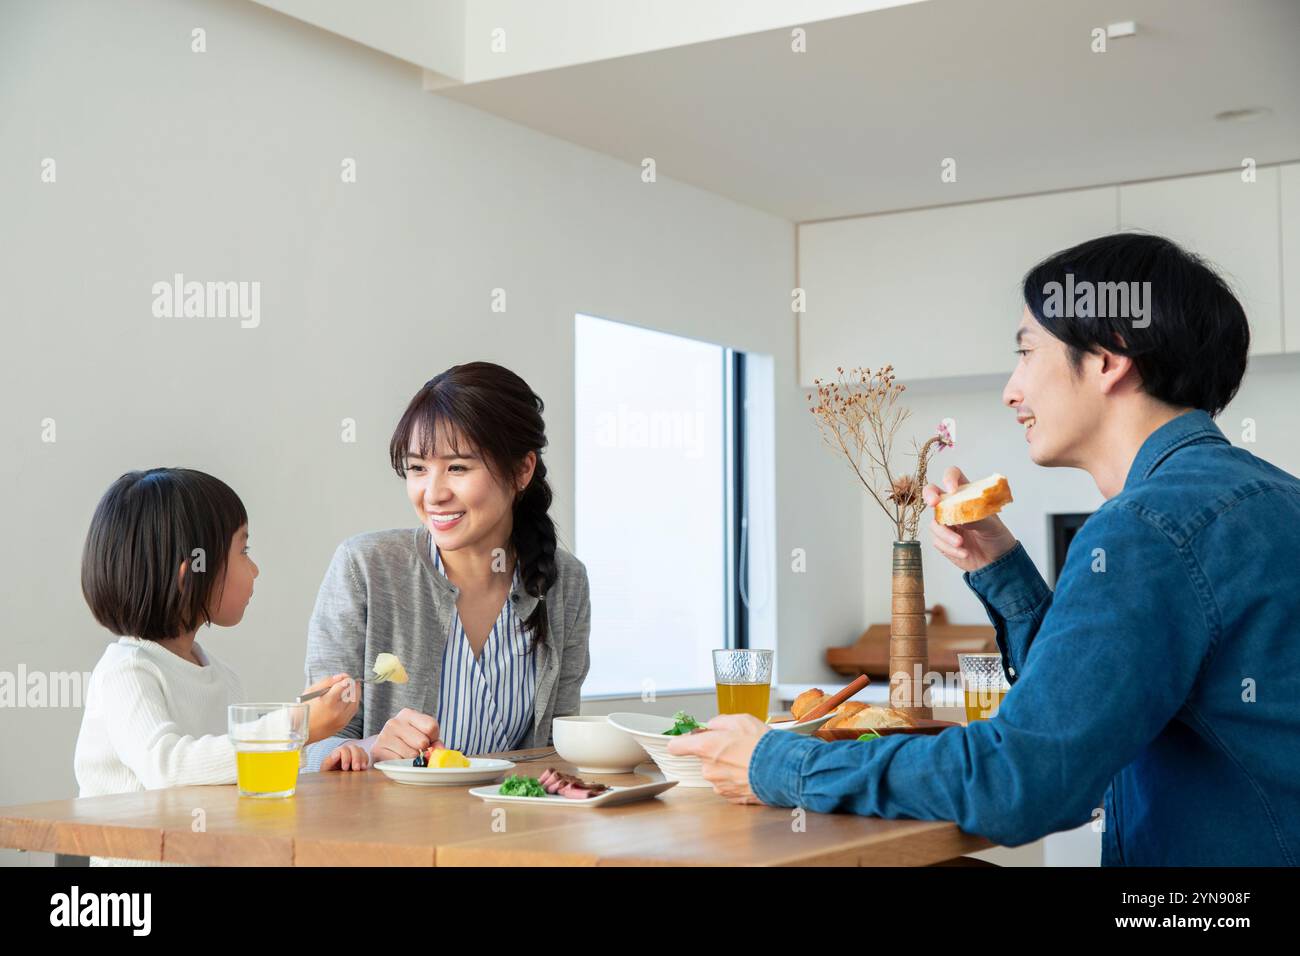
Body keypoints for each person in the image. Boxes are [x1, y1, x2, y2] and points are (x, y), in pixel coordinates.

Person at [670, 233, 1300, 866]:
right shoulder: (1275, 500)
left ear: (1111, 358)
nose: (1012, 390)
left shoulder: (1144, 529)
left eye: (1027, 353)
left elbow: (1024, 780)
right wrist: (1002, 572)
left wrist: (777, 762)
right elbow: (1079, 716)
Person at [303, 362, 591, 773]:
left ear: (522, 470)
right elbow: (312, 745)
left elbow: (558, 750)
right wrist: (369, 750)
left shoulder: (566, 583)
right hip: (390, 832)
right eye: (418, 468)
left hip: (516, 828)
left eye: (458, 467)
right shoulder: (365, 567)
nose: (433, 494)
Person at [75, 468, 357, 864]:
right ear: (191, 574)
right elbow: (169, 769)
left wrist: (313, 739)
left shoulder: (222, 677)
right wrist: (297, 724)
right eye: (243, 550)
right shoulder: (128, 670)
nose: (255, 568)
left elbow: (229, 772)